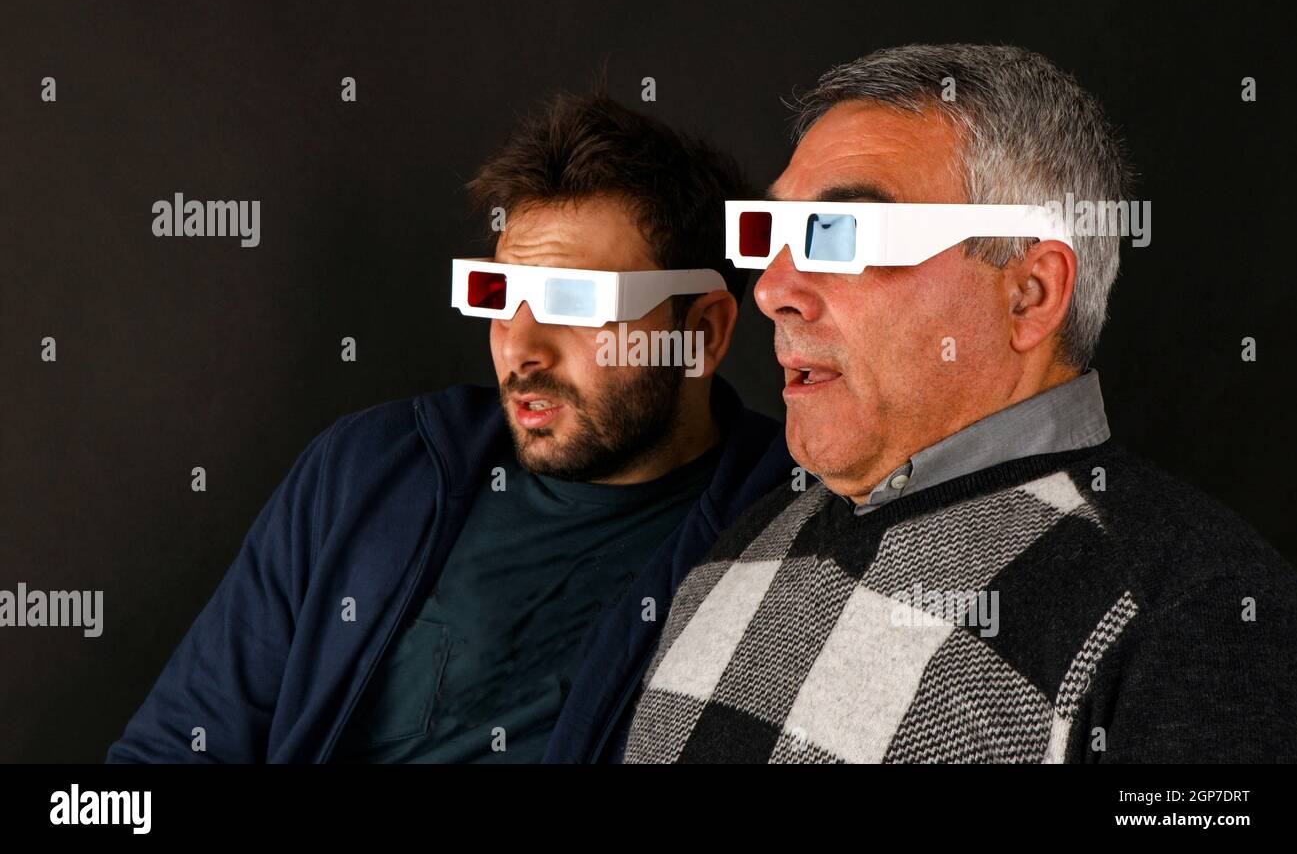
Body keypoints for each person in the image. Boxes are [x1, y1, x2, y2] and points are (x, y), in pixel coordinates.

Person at [623, 44, 1297, 764]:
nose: (770, 289)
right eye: (772, 235)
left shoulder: (1199, 620)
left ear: (1029, 293)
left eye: (844, 234)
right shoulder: (742, 548)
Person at [106, 92, 791, 764]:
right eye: (498, 296)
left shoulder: (792, 530)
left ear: (700, 331)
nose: (520, 348)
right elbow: (174, 748)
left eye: (576, 303)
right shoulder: (368, 471)